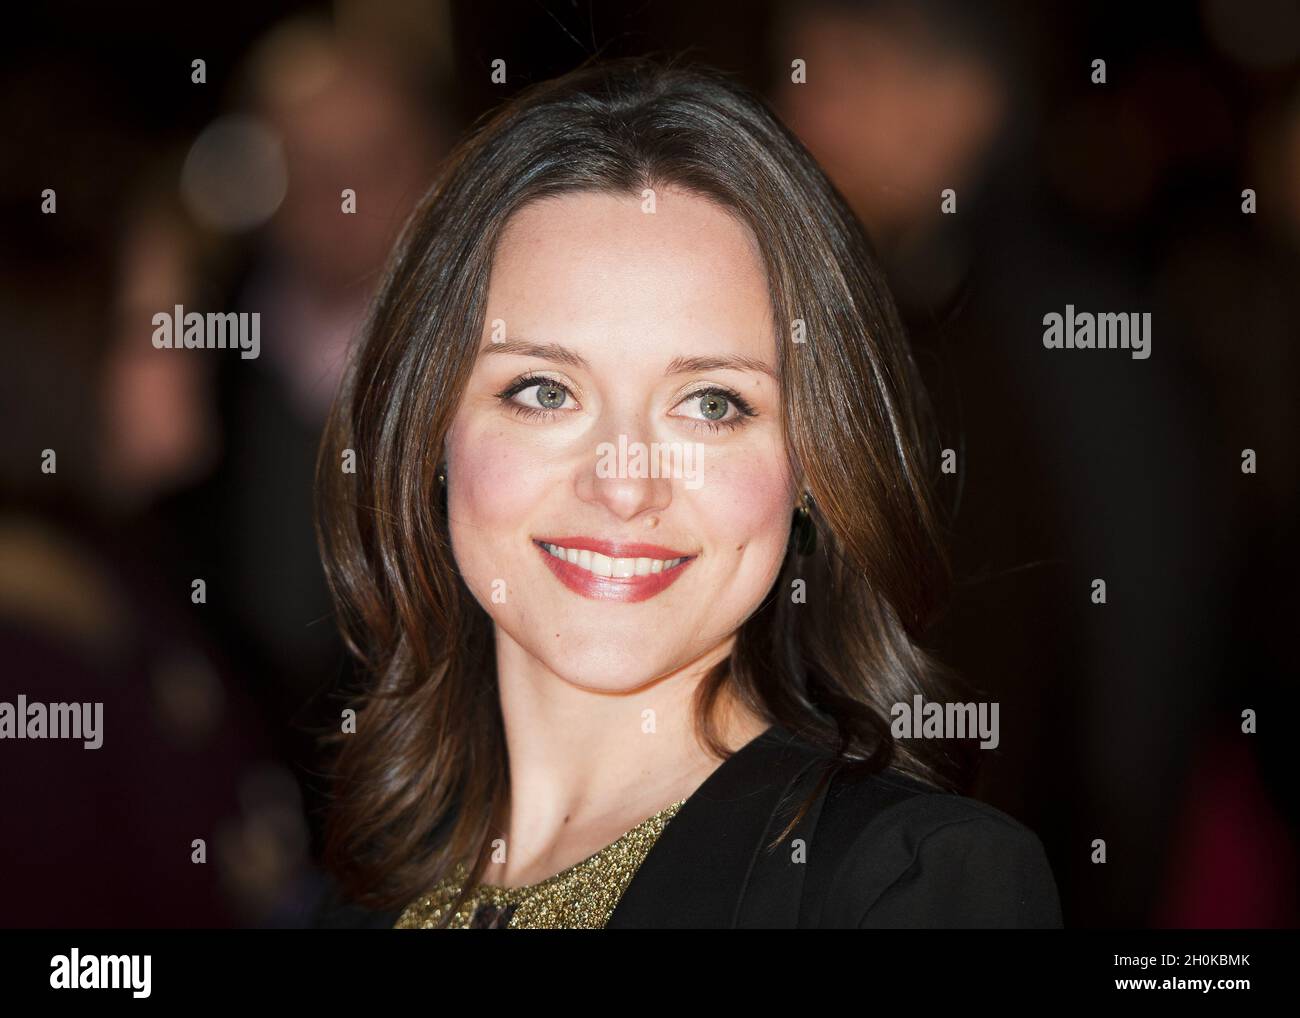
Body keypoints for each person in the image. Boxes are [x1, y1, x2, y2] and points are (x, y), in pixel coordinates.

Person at [308, 55, 1062, 929]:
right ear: (430, 430)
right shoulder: (360, 897)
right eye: (545, 391)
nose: (624, 486)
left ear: (815, 467)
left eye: (711, 405)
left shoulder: (909, 888)